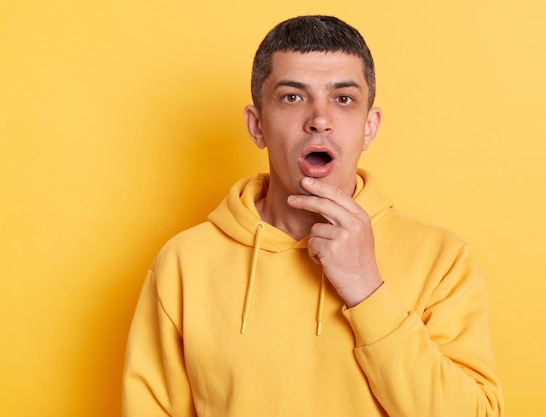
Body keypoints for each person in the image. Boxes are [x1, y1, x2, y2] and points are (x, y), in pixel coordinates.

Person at [122, 15, 503, 417]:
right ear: (257, 126)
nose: (319, 120)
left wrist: (367, 290)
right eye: (292, 97)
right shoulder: (184, 263)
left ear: (369, 128)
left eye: (343, 99)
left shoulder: (442, 259)